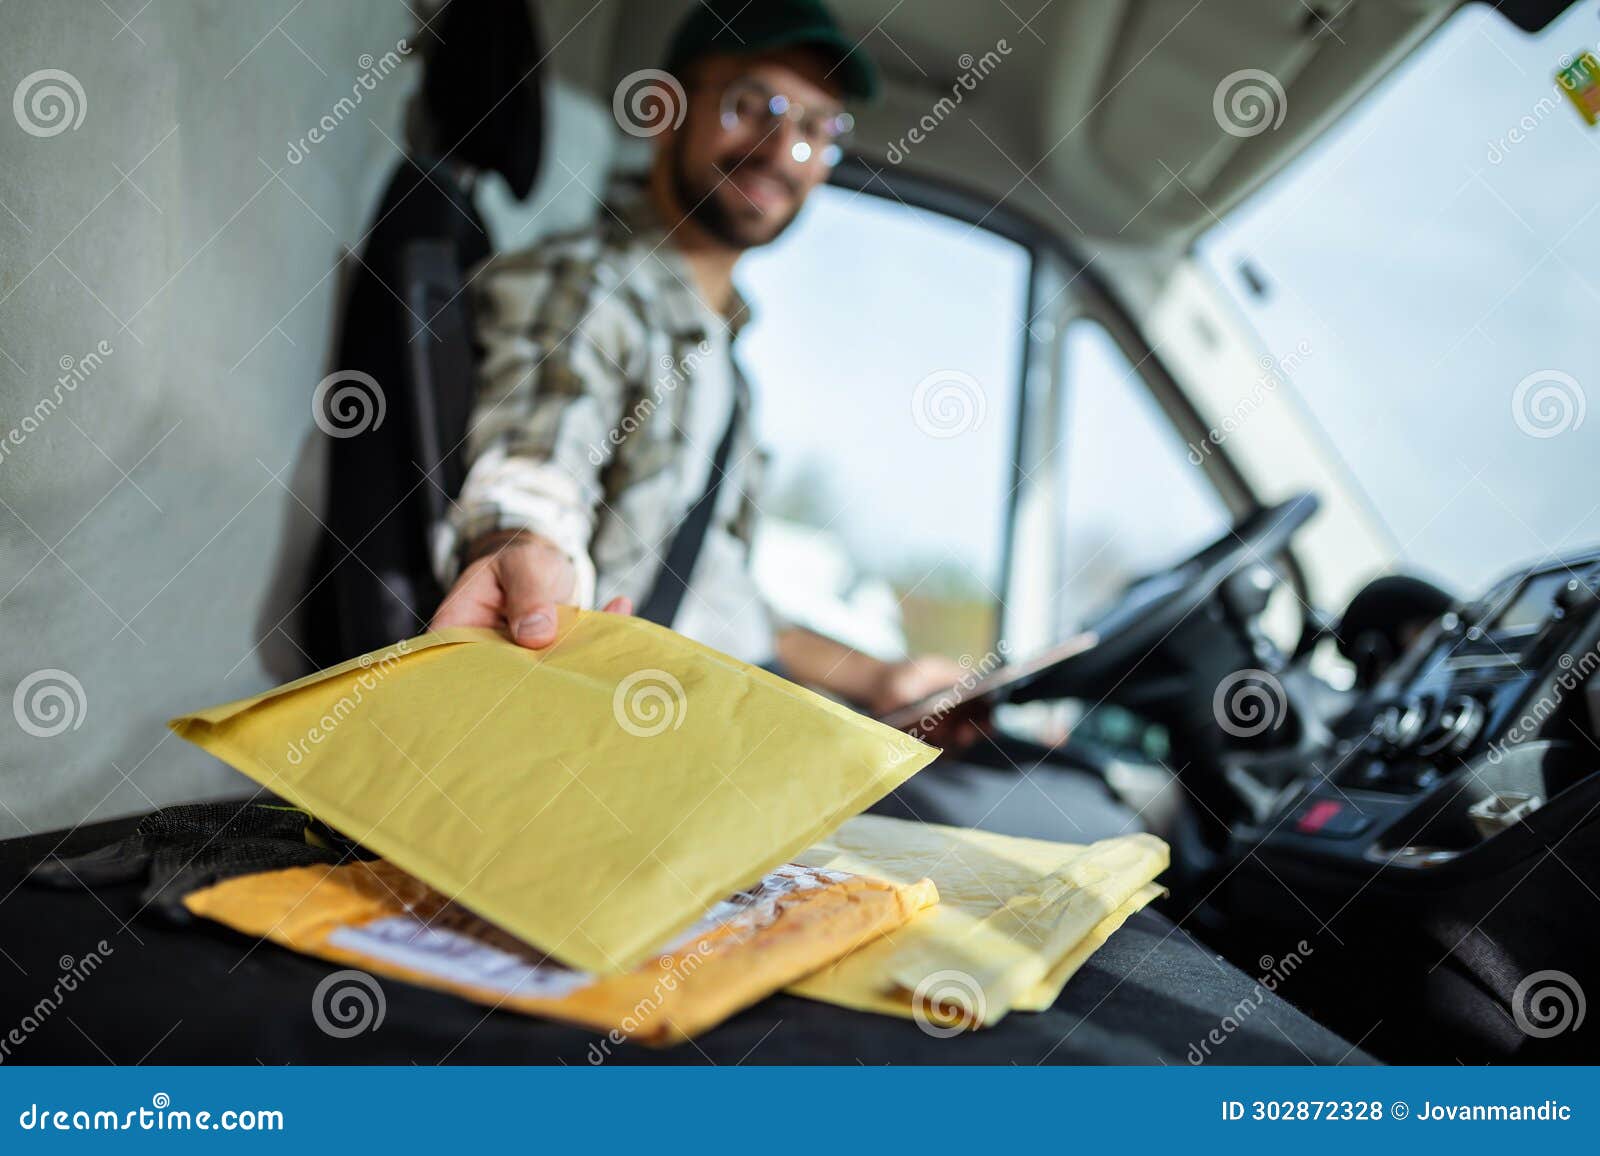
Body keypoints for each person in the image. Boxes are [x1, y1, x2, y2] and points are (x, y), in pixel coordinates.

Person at [430, 0, 1135, 841]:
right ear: (668, 111)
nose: (779, 149)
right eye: (750, 106)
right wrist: (519, 548)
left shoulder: (721, 355)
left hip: (730, 713)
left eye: (814, 128)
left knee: (1061, 789)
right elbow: (536, 464)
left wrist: (879, 680)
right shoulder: (591, 287)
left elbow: (716, 596)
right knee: (1080, 822)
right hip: (643, 744)